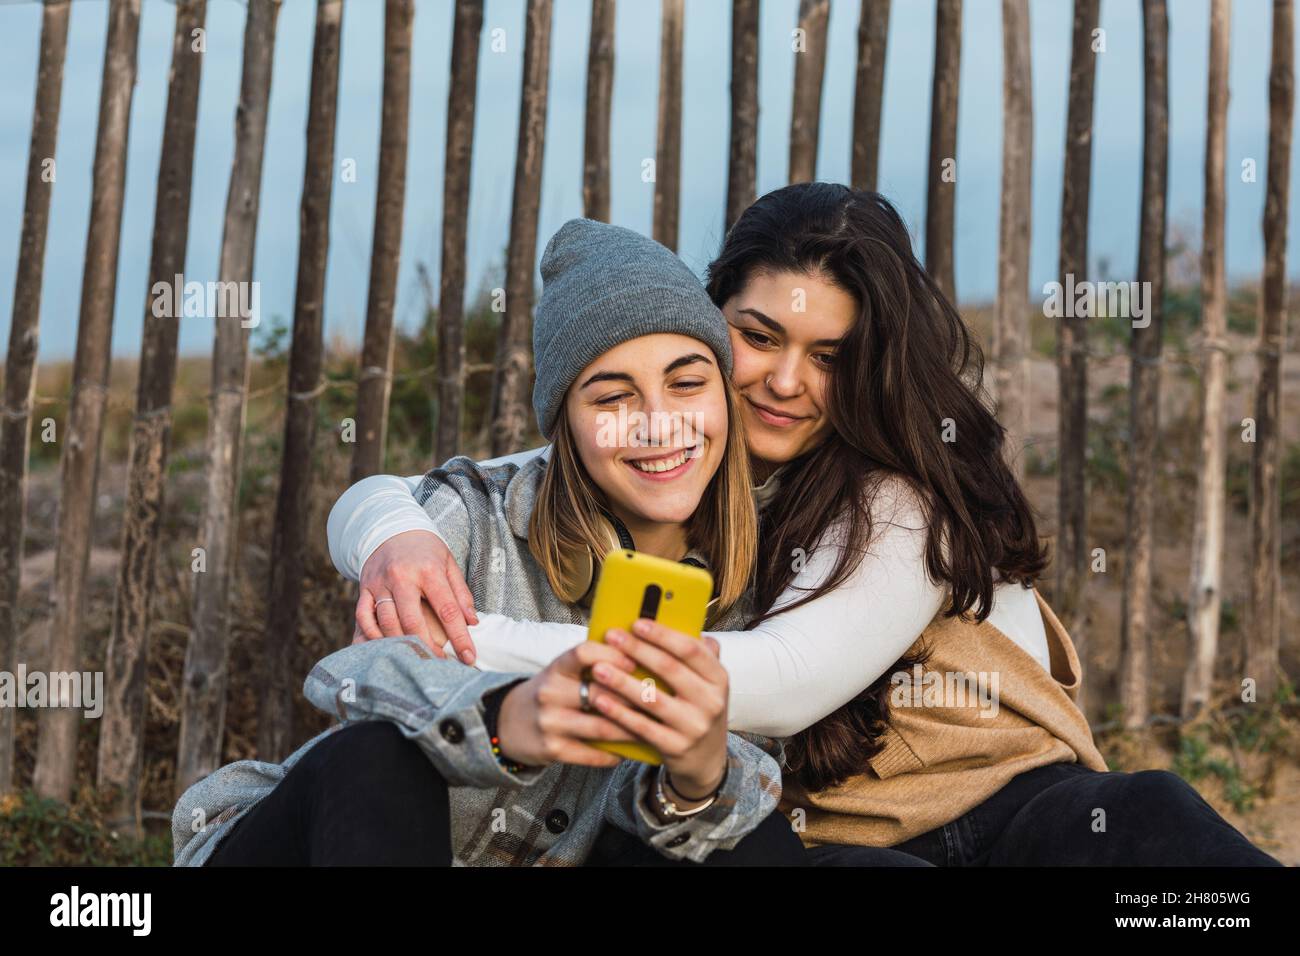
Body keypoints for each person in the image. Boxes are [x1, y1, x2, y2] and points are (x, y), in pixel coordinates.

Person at [331, 184, 1281, 867]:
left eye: (830, 354)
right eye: (759, 337)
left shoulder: (898, 494)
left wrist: (467, 638)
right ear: (710, 321)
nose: (787, 381)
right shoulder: (692, 458)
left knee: (1156, 838)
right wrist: (391, 532)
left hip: (1003, 813)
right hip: (822, 838)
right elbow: (470, 484)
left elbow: (782, 684)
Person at [173, 218, 805, 867]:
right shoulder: (476, 513)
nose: (658, 425)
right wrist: (507, 722)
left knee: (750, 841)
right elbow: (358, 676)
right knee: (377, 756)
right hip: (316, 843)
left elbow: (745, 768)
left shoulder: (770, 567)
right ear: (565, 423)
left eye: (687, 383)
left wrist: (697, 784)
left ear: (725, 395)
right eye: (613, 397)